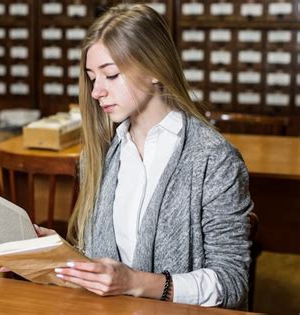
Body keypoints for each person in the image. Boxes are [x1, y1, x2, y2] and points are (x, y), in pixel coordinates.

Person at [42, 3, 252, 310]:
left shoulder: (213, 160)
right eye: (92, 77)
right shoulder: (99, 155)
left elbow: (232, 282)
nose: (96, 91)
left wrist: (137, 283)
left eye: (110, 75)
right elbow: (102, 263)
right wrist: (51, 254)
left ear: (155, 69)